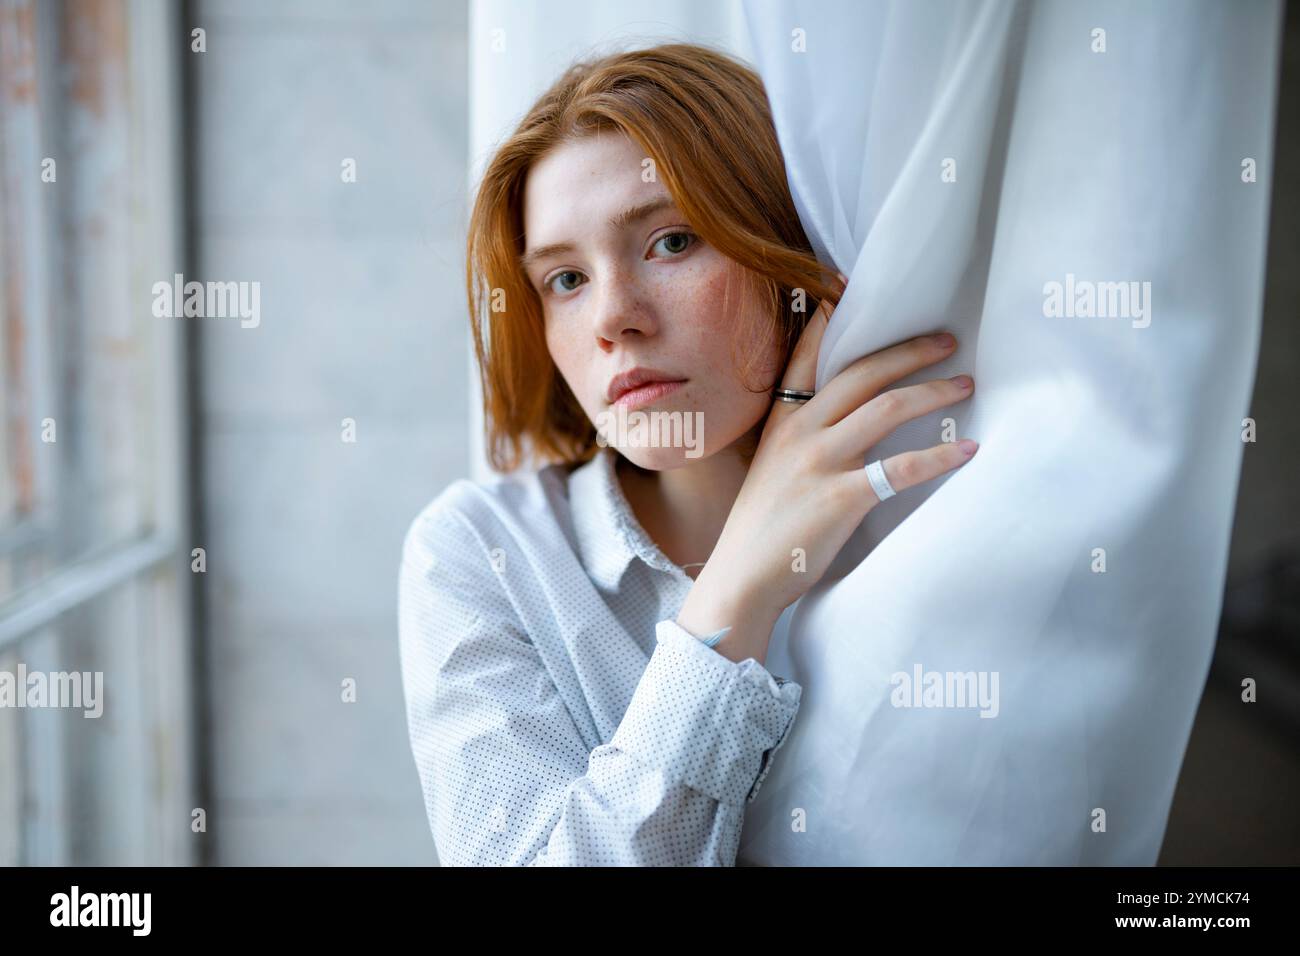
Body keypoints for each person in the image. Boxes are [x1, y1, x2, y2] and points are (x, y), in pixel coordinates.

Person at [397, 42, 978, 866]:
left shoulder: (928, 500)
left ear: (783, 244)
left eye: (670, 242)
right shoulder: (480, 553)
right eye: (565, 280)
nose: (613, 318)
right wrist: (736, 594)